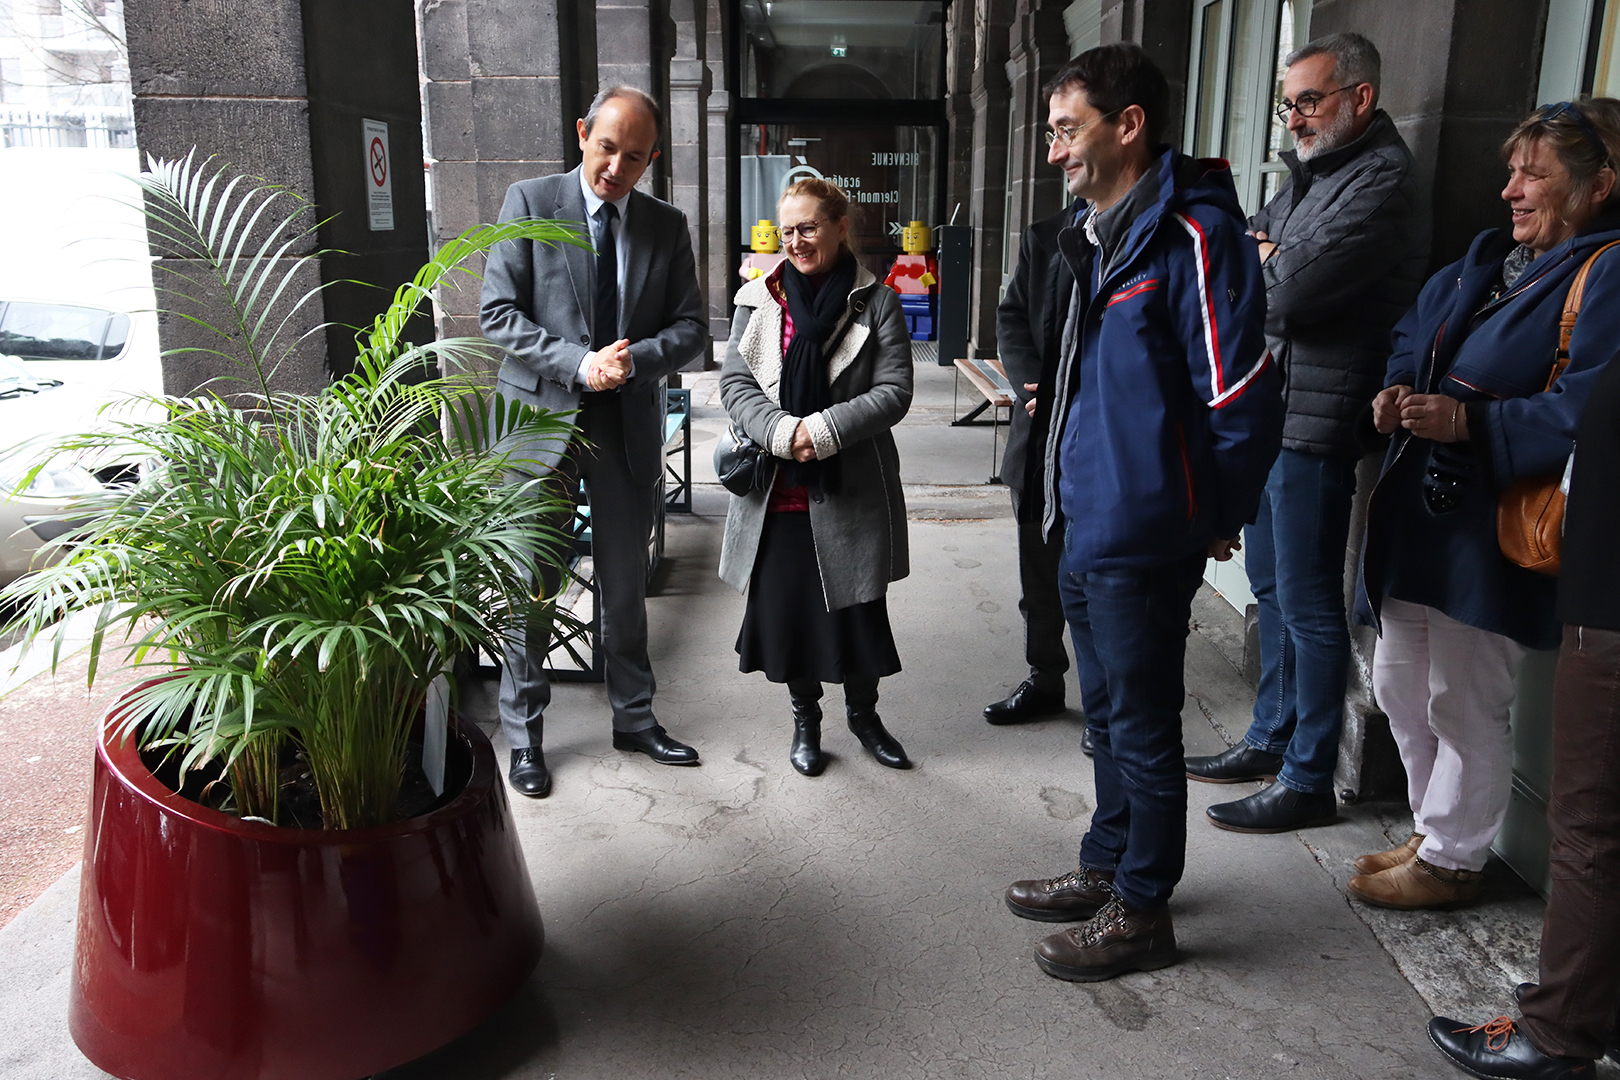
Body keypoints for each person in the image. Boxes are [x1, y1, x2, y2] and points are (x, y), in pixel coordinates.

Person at [1002, 43, 1282, 982]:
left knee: (1145, 723)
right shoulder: (1096, 233)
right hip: (1085, 518)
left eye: (1067, 130)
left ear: (1130, 126)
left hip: (1144, 528)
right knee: (1109, 717)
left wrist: (1211, 516)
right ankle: (1107, 865)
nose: (1055, 154)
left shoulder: (1193, 238)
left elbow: (1240, 397)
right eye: (1050, 133)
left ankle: (1143, 909)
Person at [1350, 98, 1620, 909]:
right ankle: (1437, 828)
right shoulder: (1484, 260)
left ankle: (1456, 858)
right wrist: (1395, 391)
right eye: (1512, 170)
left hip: (1492, 523)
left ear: (1600, 185)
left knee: (1464, 699)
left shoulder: (1607, 273)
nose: (1510, 190)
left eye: (1535, 175)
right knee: (1399, 685)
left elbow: (1591, 410)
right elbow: (1409, 334)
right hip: (1424, 514)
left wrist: (1472, 420)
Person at [1187, 33, 1427, 833]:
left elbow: (1282, 299)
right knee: (1272, 589)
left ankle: (1307, 778)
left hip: (1318, 420)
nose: (1293, 116)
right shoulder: (1309, 178)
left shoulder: (1383, 180)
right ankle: (1269, 736)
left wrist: (1266, 260)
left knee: (1313, 604)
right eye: (1288, 102)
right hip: (1273, 409)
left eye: (1309, 100)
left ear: (1361, 97)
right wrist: (1267, 252)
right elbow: (1236, 267)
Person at [480, 86, 708, 798]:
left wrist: (632, 359)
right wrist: (581, 364)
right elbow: (497, 313)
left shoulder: (667, 227)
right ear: (583, 133)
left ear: (652, 160)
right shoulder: (529, 200)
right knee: (531, 591)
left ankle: (634, 718)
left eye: (633, 157)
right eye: (606, 147)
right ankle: (526, 737)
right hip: (540, 427)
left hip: (625, 430)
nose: (615, 166)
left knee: (624, 587)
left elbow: (692, 328)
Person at [1426, 339, 1620, 1080]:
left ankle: (1558, 1033)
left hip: (1611, 609)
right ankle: (1595, 1006)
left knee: (1592, 827)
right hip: (1601, 598)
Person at [717, 178, 913, 776]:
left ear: (839, 227)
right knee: (791, 616)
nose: (796, 242)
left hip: (848, 485)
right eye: (787, 230)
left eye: (809, 228)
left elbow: (896, 391)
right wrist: (781, 432)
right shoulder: (759, 299)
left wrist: (821, 430)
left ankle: (865, 716)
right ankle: (806, 720)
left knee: (856, 612)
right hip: (776, 489)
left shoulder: (875, 300)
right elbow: (734, 383)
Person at [983, 196, 1080, 743]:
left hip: (1100, 437)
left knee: (1093, 583)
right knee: (1038, 578)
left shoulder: (1148, 231)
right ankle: (1045, 678)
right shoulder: (1045, 234)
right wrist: (1031, 389)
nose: (1059, 152)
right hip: (1037, 429)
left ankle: (1109, 705)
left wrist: (1072, 392)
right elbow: (1012, 315)